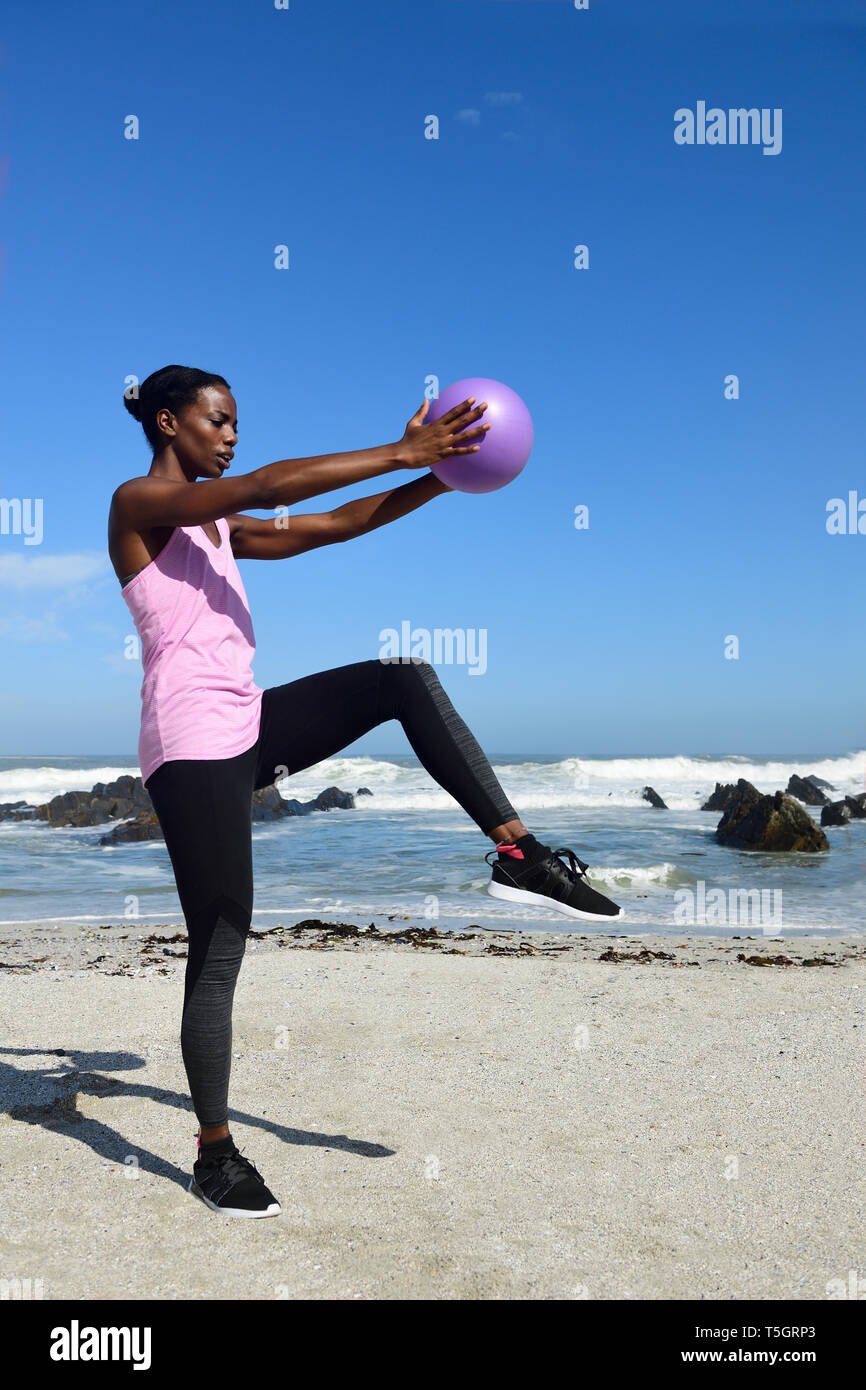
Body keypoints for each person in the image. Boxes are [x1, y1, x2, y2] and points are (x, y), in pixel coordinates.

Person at [108, 364, 623, 1219]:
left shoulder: (219, 529)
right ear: (169, 422)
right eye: (218, 420)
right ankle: (214, 1152)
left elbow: (336, 525)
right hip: (189, 746)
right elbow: (270, 484)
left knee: (401, 677)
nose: (233, 434)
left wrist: (439, 472)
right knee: (223, 939)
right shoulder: (139, 505)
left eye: (237, 421)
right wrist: (399, 446)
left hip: (247, 723)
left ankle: (519, 854)